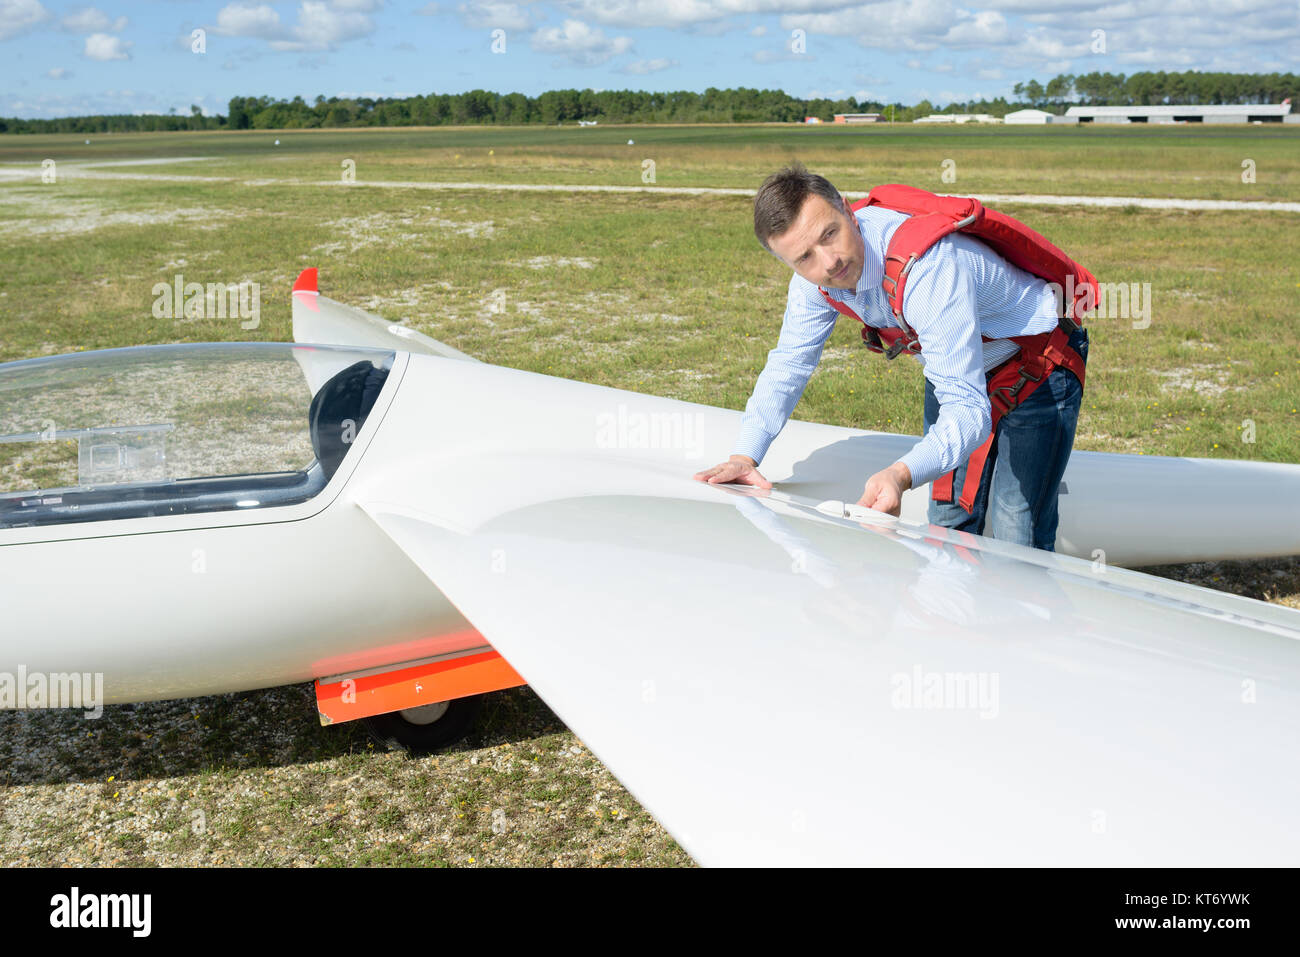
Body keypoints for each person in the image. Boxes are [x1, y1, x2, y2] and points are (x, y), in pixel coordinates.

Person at [692, 165, 1088, 551]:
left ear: (849, 210)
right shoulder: (813, 283)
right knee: (948, 519)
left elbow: (968, 412)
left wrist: (900, 475)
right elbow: (789, 365)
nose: (828, 262)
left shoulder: (926, 269)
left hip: (1039, 365)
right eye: (804, 258)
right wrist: (745, 455)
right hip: (955, 363)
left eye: (830, 234)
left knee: (1016, 529)